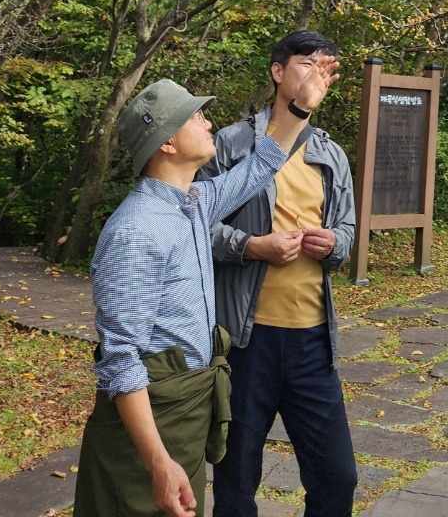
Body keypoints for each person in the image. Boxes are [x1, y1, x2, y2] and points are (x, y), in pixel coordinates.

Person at [74, 55, 339, 517]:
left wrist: (299, 107)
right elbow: (121, 360)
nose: (209, 122)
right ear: (168, 142)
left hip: (188, 408)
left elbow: (261, 165)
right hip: (154, 421)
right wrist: (158, 463)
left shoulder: (193, 203)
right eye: (196, 117)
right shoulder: (137, 230)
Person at [204, 31, 357, 517]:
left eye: (325, 68)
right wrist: (252, 246)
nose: (316, 75)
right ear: (277, 71)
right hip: (246, 341)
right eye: (307, 63)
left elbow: (347, 231)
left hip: (313, 340)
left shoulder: (330, 153)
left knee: (337, 477)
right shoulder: (230, 144)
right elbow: (196, 226)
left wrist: (333, 244)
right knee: (235, 477)